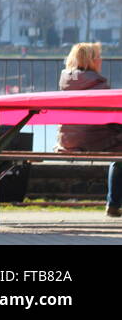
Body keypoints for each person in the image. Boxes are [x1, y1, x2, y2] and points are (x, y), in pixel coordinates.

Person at [57, 41, 122, 217]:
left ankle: (113, 203)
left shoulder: (66, 83)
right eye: (98, 57)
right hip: (90, 140)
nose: (101, 60)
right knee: (119, 155)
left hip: (68, 141)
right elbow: (113, 119)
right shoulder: (99, 86)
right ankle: (113, 203)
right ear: (90, 61)